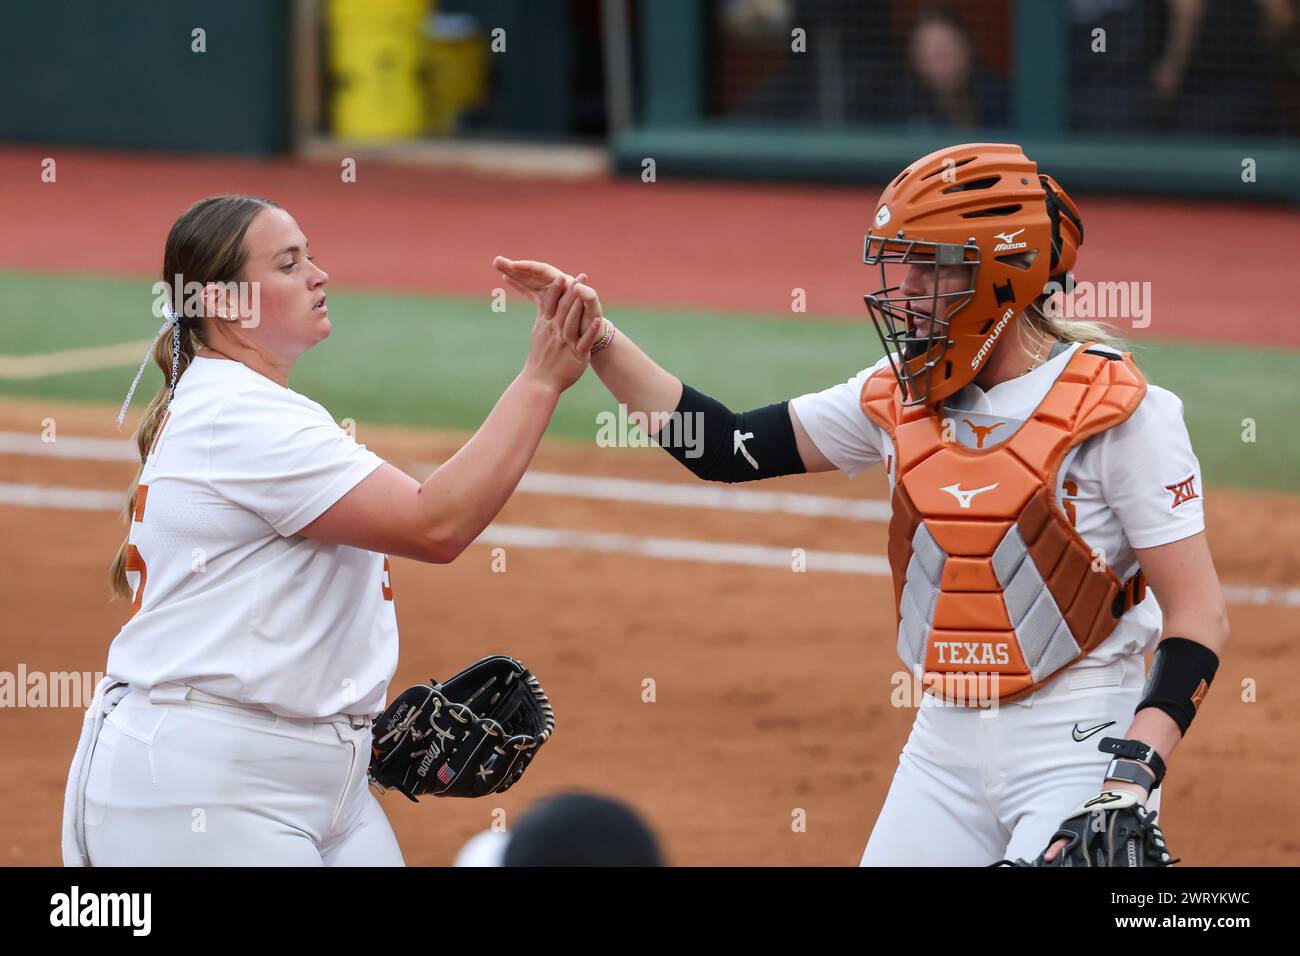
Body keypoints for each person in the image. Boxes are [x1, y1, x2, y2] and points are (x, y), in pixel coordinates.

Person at [493, 142, 1229, 866]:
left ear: (1000, 275)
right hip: (942, 746)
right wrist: (597, 339)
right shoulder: (897, 392)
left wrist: (1130, 776)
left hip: (1079, 745)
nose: (901, 288)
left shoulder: (1122, 413)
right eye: (897, 262)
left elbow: (1198, 615)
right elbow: (724, 446)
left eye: (928, 265)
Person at [62, 194, 603, 866]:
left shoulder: (254, 406)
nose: (319, 275)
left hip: (325, 783)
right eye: (289, 264)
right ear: (227, 303)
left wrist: (346, 726)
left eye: (310, 256)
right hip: (200, 785)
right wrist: (541, 380)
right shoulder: (240, 418)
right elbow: (436, 523)